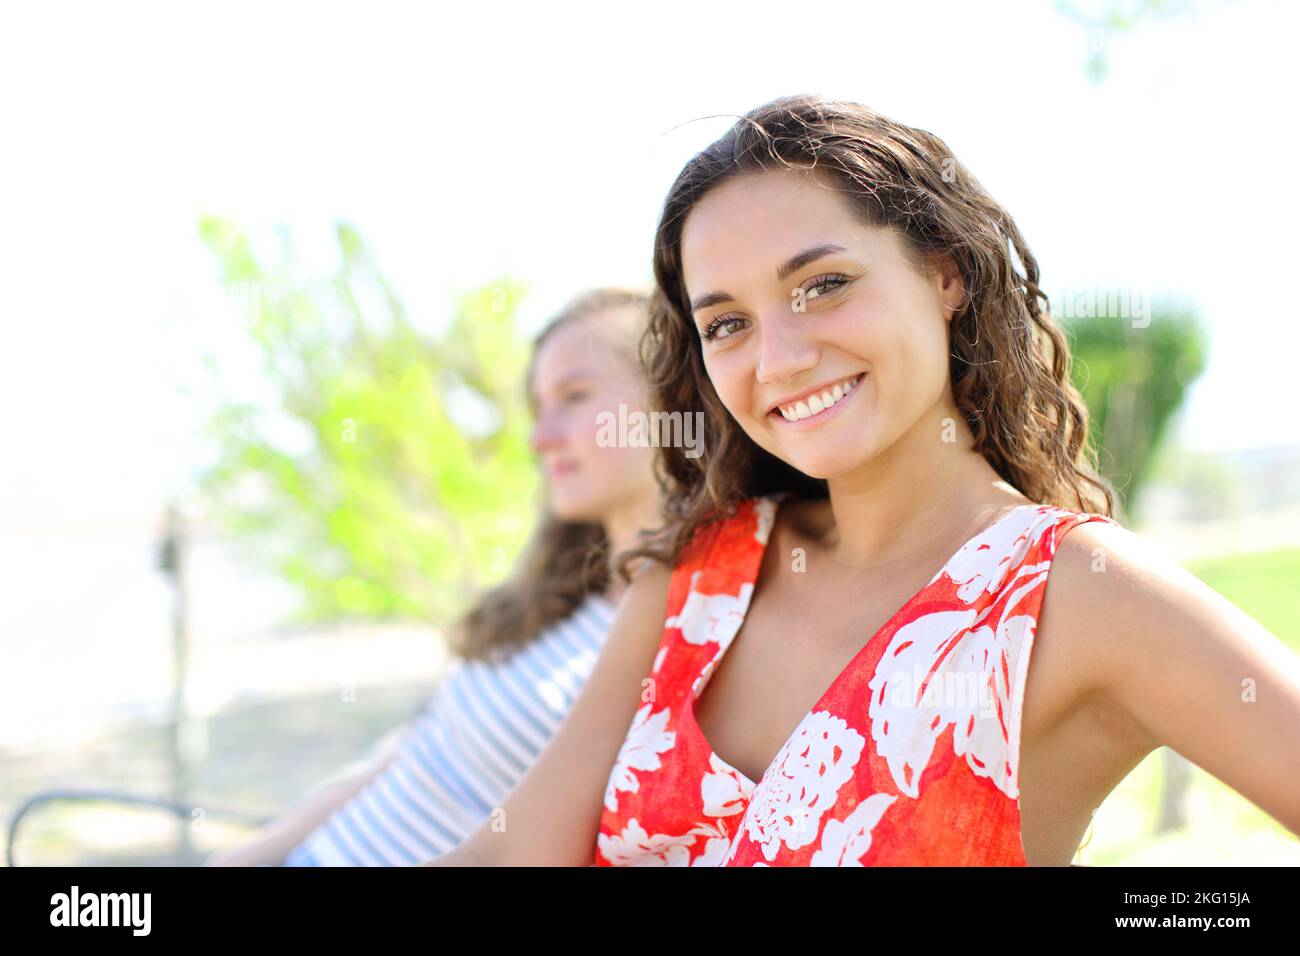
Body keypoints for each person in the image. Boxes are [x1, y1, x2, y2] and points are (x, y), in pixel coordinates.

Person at [423, 95, 1300, 867]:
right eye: (726, 323)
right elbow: (512, 851)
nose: (781, 359)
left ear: (945, 272)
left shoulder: (1079, 597)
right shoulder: (700, 573)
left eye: (823, 284)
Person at [205, 287, 664, 865]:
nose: (540, 437)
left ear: (666, 402)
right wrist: (252, 855)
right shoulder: (560, 595)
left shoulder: (683, 626)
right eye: (538, 408)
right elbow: (409, 755)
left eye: (573, 397)